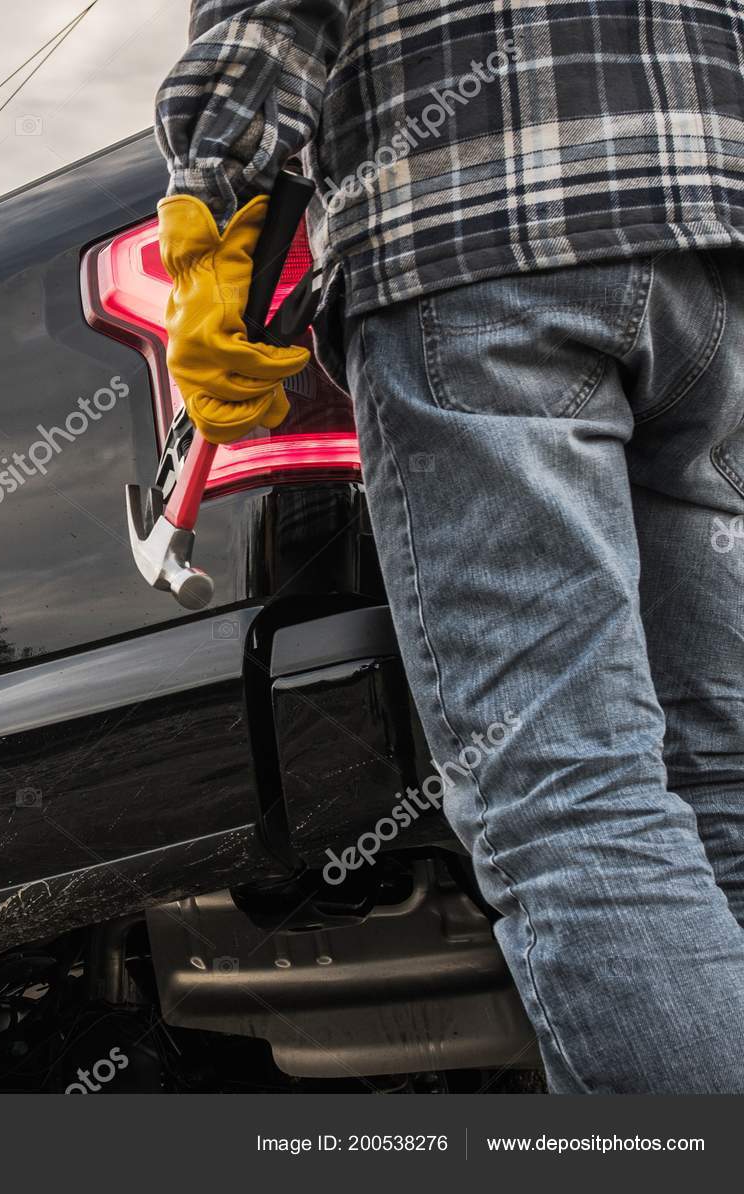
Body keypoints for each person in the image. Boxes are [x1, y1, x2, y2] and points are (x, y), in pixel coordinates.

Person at [154, 0, 744, 1092]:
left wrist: (213, 195)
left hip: (484, 229)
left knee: (568, 793)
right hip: (713, 251)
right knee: (717, 777)